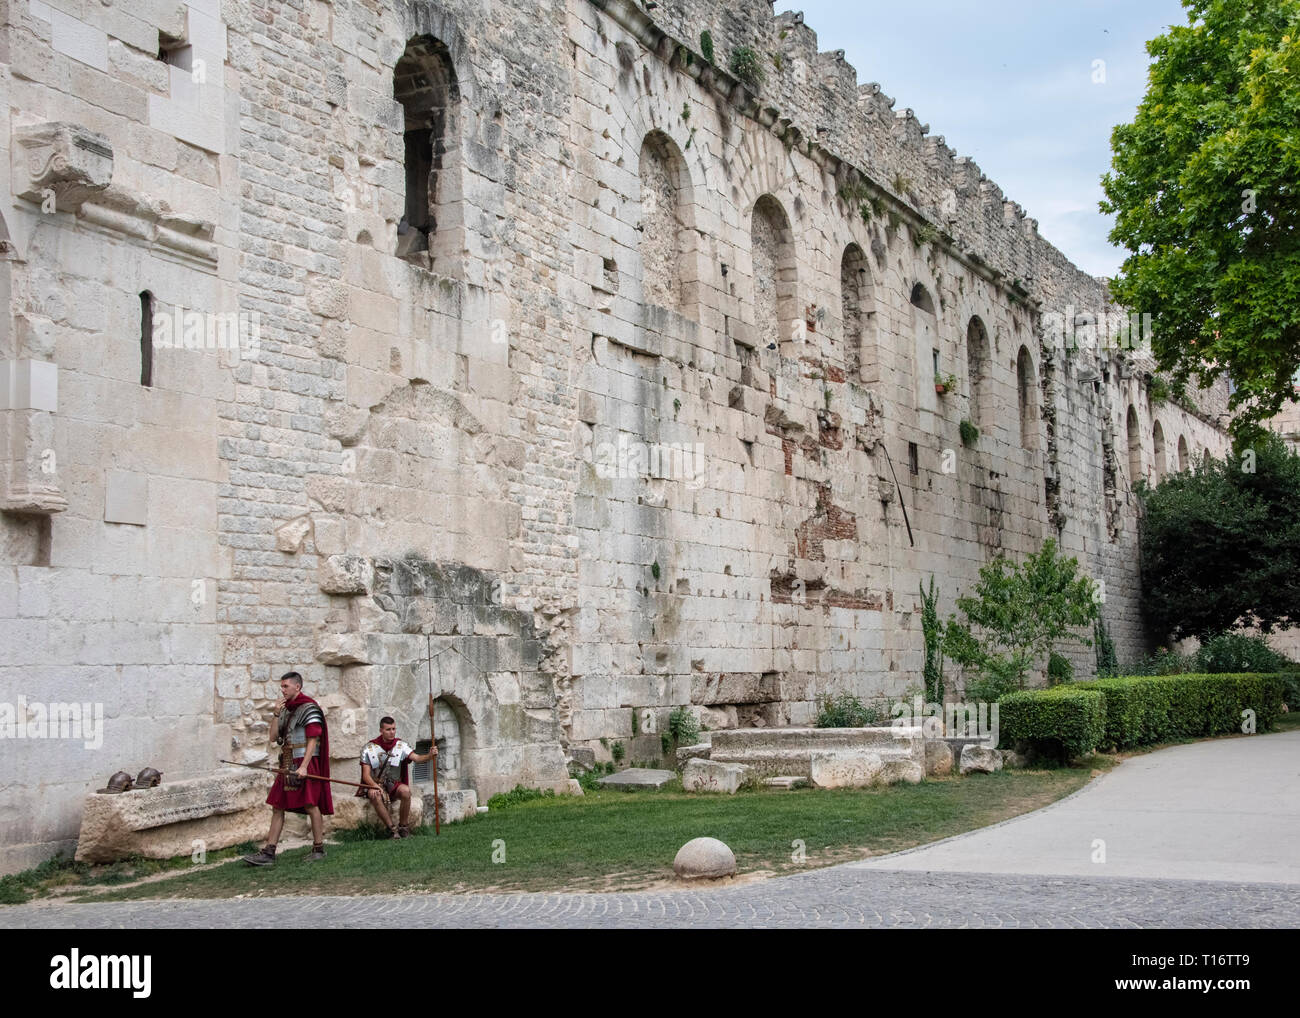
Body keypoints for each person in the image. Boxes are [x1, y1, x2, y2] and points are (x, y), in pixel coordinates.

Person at [244, 671, 333, 866]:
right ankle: (269, 852)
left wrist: (304, 766)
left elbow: (313, 740)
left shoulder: (309, 707)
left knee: (310, 804)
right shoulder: (285, 709)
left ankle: (318, 849)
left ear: (297, 687)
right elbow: (273, 737)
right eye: (281, 686)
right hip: (287, 761)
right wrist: (276, 714)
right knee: (278, 806)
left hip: (305, 762)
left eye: (286, 686)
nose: (282, 690)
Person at [358, 716, 436, 838]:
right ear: (381, 731)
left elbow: (417, 758)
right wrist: (374, 786)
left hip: (393, 783)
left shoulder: (401, 746)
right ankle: (392, 830)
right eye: (388, 729)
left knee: (406, 791)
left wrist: (429, 756)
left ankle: (403, 827)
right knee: (375, 796)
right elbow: (366, 775)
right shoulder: (369, 748)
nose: (392, 732)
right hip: (375, 784)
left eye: (393, 729)